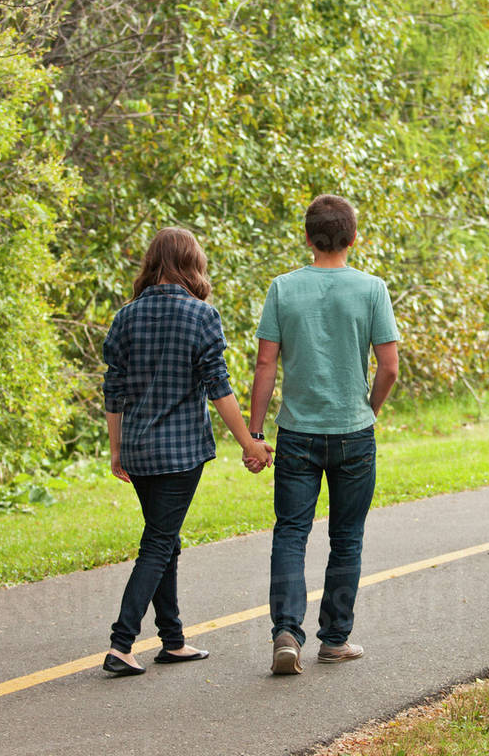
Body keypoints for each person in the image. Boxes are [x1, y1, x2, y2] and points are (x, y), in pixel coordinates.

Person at [101, 227, 273, 677]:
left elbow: (113, 392)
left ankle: (172, 640)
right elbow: (219, 387)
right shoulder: (200, 315)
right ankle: (121, 644)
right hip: (179, 453)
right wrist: (249, 442)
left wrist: (116, 450)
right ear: (192, 263)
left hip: (137, 449)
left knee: (165, 539)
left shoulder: (125, 317)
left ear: (152, 263)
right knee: (158, 542)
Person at [247, 194, 400, 675]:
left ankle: (287, 633)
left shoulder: (282, 289)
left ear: (308, 237)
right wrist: (367, 410)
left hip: (297, 433)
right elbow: (390, 368)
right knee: (347, 538)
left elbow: (266, 363)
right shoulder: (372, 288)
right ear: (353, 238)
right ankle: (334, 640)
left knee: (291, 533)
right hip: (354, 433)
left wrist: (254, 432)